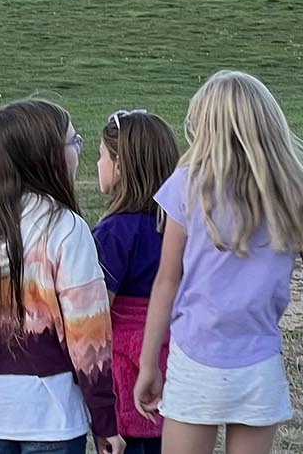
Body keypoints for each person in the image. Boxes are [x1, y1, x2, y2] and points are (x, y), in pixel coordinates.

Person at [134, 71, 303, 454]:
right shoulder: (294, 193)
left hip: (195, 361)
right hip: (259, 367)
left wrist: (148, 364)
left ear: (206, 126)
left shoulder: (186, 185)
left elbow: (166, 281)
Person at [0, 99, 123, 454]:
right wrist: (105, 422)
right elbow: (89, 341)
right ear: (48, 156)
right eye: (74, 142)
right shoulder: (67, 229)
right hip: (49, 417)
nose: (79, 150)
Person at [91, 109, 180, 454]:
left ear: (120, 164)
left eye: (101, 156)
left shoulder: (113, 233)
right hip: (172, 364)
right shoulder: (179, 228)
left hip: (125, 376)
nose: (97, 165)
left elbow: (97, 313)